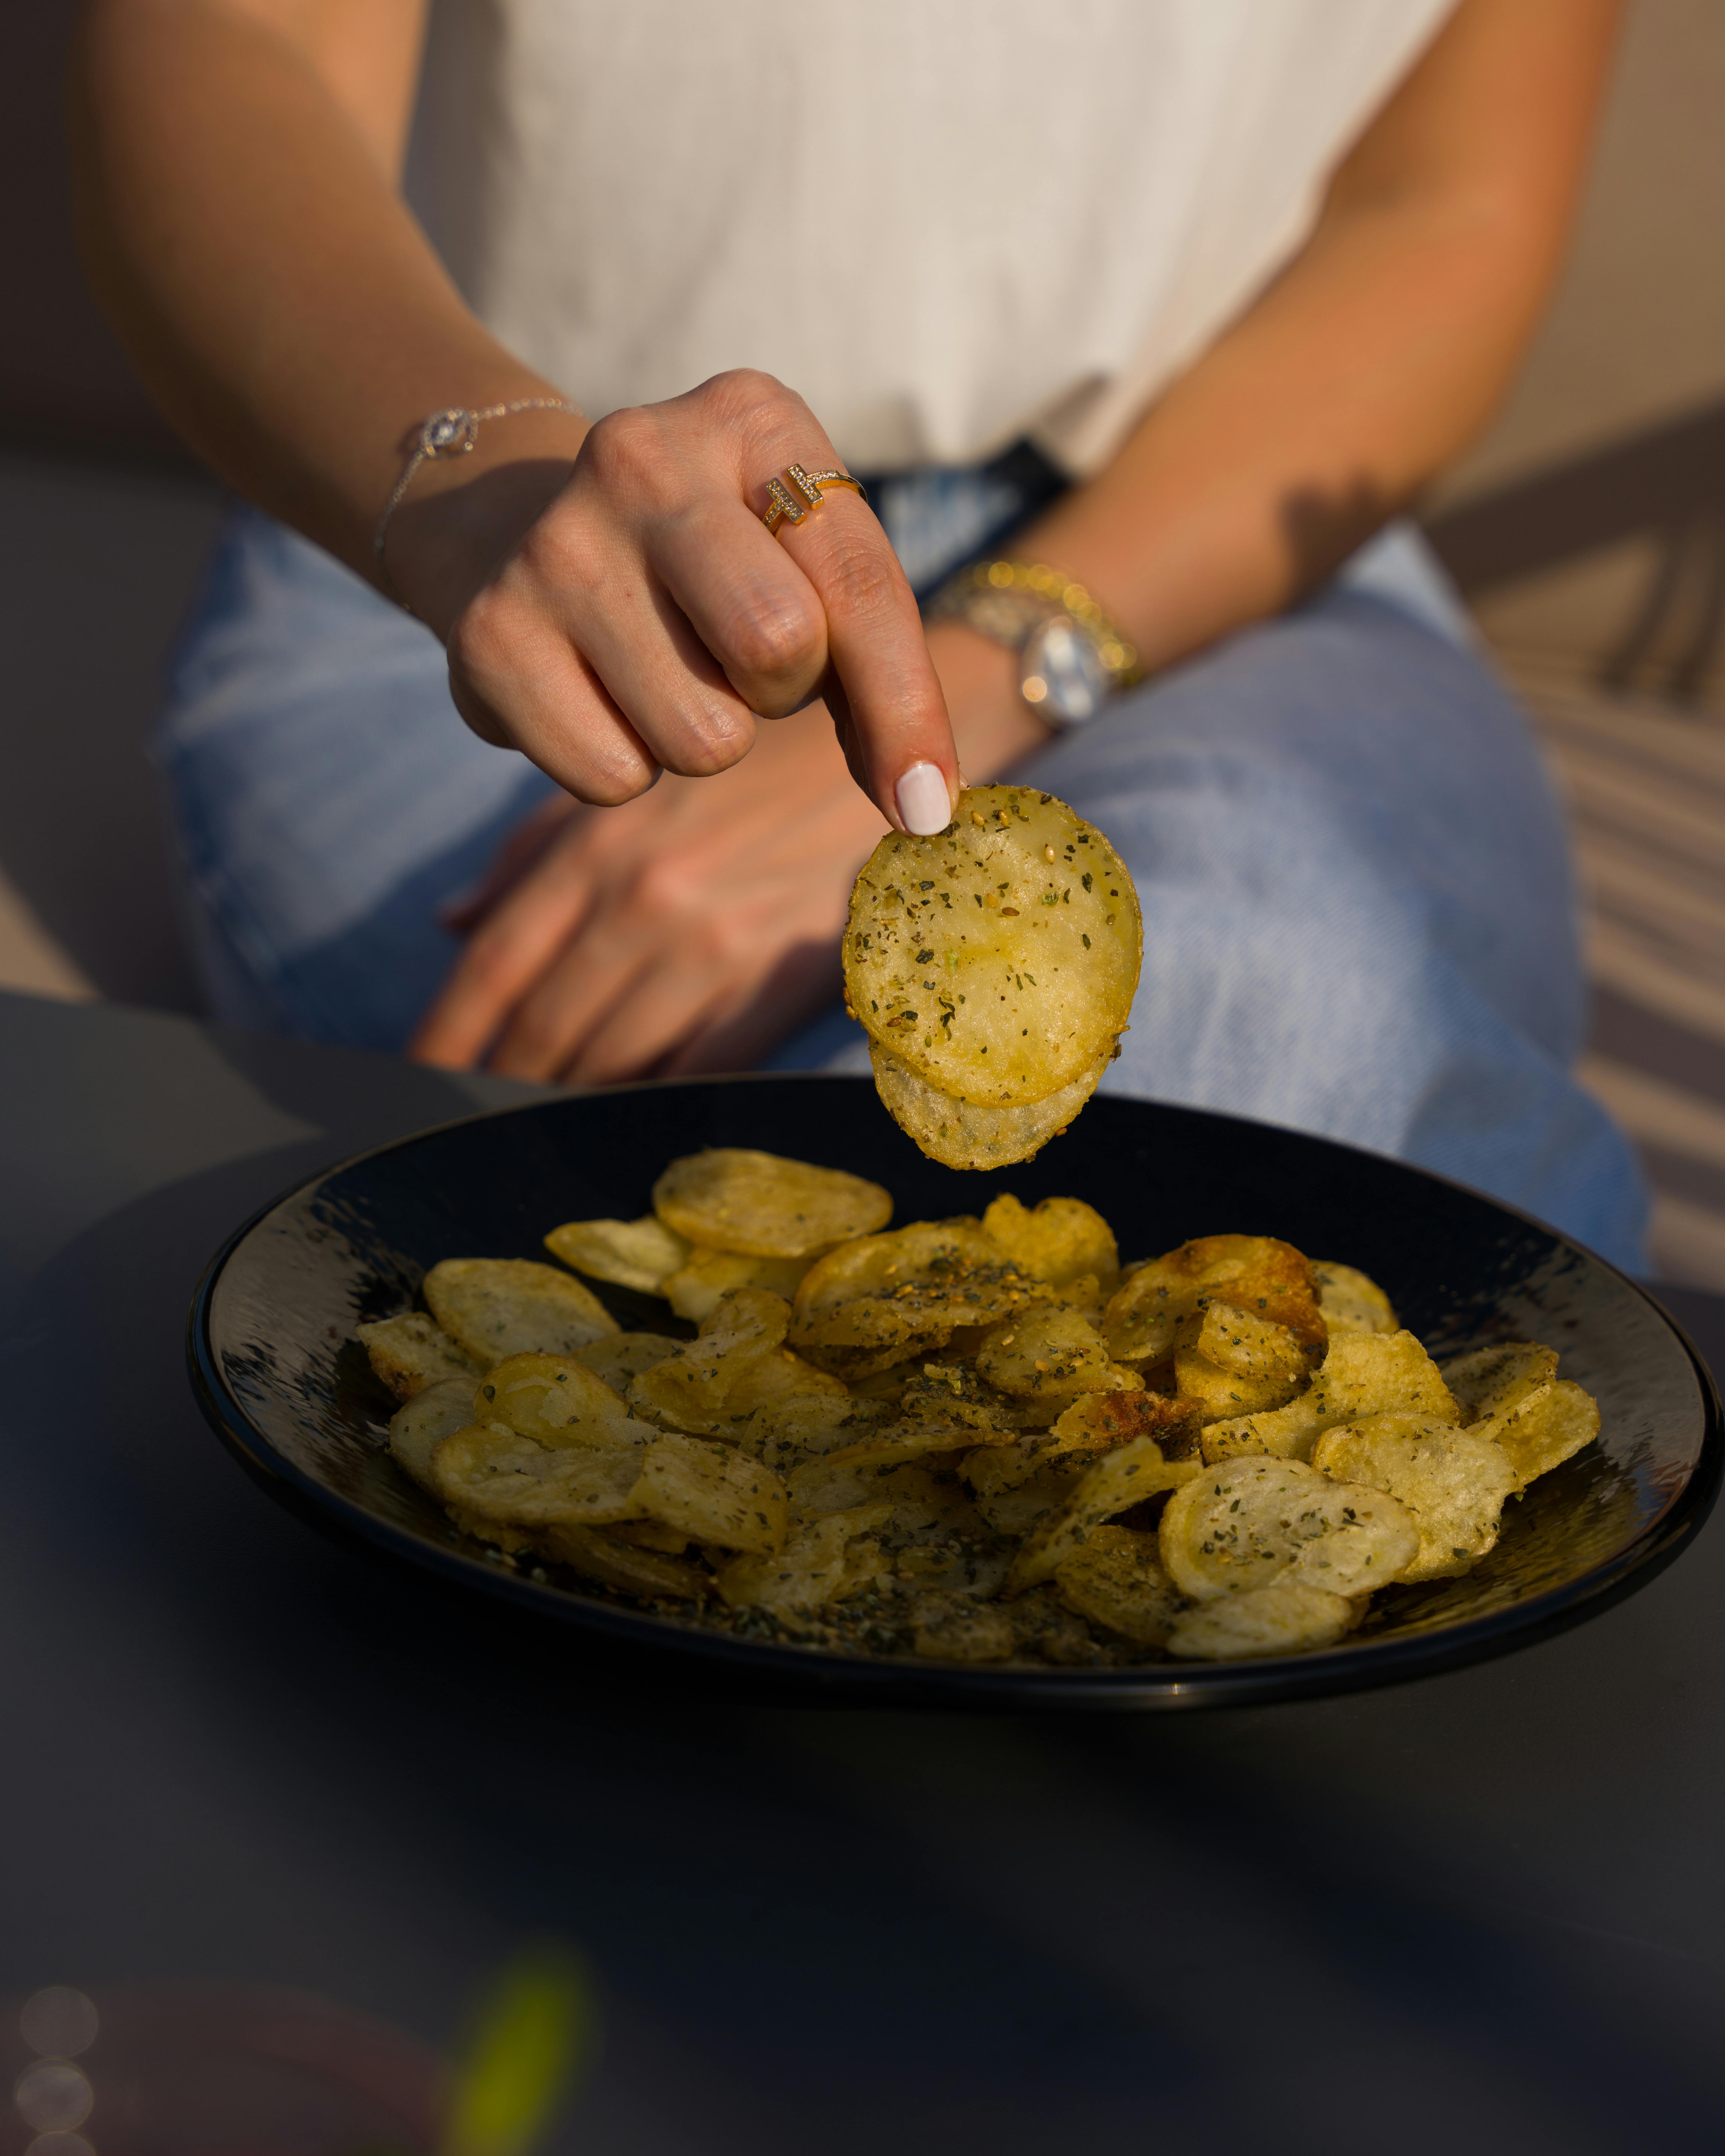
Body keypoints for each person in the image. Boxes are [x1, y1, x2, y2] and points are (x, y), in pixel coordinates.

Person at [70, 0, 1646, 1267]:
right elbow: (236, 45)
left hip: (1217, 536)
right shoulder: (504, 519)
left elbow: (1442, 206)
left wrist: (960, 703)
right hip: (525, 535)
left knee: (1279, 994)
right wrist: (485, 494)